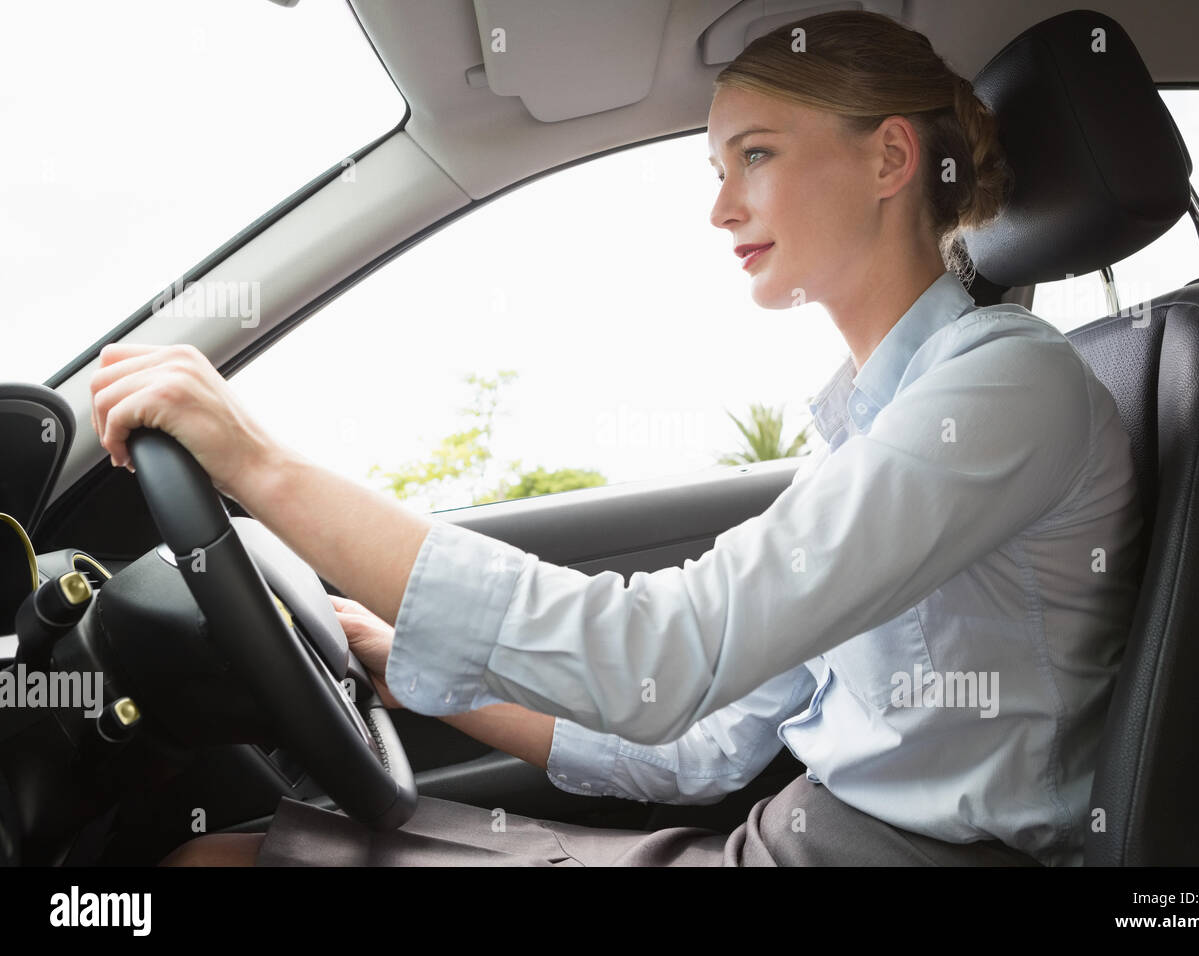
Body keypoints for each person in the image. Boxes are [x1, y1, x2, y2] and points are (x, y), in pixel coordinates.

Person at [92, 10, 1143, 867]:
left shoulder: (1009, 385)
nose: (721, 207)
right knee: (245, 854)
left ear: (890, 158)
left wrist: (260, 465)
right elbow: (700, 741)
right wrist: (391, 661)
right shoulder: (872, 422)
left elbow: (657, 657)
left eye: (757, 156)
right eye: (714, 168)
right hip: (790, 840)